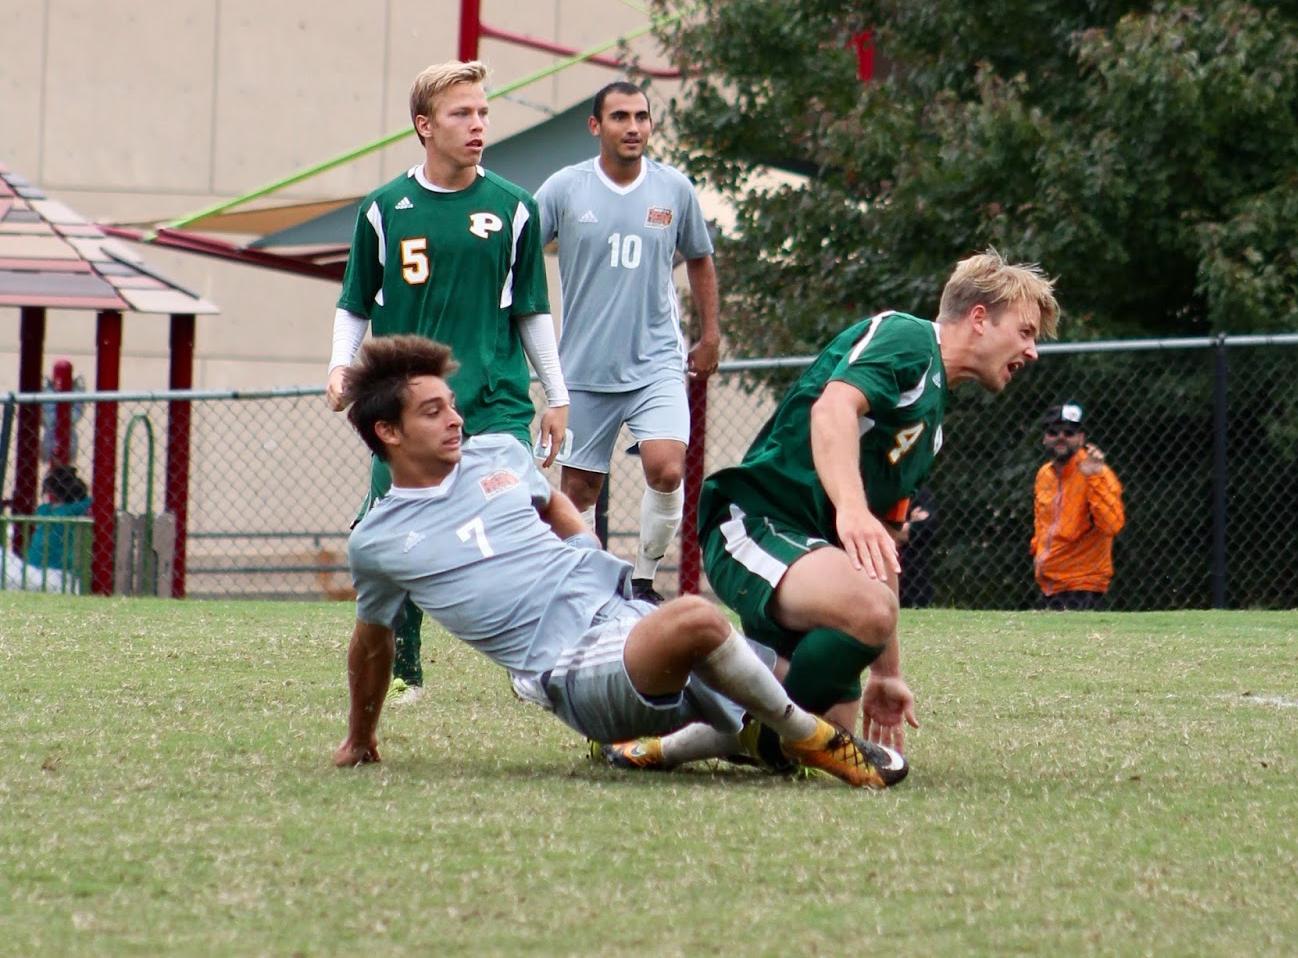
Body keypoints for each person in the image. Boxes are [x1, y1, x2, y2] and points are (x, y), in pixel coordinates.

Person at [330, 334, 905, 790]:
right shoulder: (378, 539)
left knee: (827, 702)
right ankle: (805, 738)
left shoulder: (499, 452)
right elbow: (371, 642)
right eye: (433, 412)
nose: (455, 420)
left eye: (452, 406)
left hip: (624, 617)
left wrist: (586, 551)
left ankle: (669, 748)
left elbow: (552, 500)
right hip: (570, 668)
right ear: (388, 431)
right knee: (699, 621)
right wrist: (361, 737)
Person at [691, 249, 1059, 757]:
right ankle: (717, 692)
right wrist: (850, 507)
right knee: (860, 623)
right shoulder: (907, 337)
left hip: (810, 558)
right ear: (979, 318)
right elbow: (833, 407)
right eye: (1026, 332)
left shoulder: (930, 428)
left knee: (835, 732)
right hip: (755, 522)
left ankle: (740, 696)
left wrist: (887, 675)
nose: (1033, 350)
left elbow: (880, 547)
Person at [325, 60, 570, 705]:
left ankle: (541, 661)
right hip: (411, 408)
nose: (478, 124)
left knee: (522, 518)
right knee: (390, 531)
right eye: (463, 113)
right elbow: (355, 301)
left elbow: (531, 312)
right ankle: (406, 669)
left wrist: (558, 395)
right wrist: (339, 365)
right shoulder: (383, 209)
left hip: (493, 401)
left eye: (484, 112)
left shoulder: (515, 207)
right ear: (424, 126)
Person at [534, 81, 720, 601]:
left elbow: (700, 258)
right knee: (578, 492)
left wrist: (710, 335)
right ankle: (583, 590)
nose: (632, 127)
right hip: (584, 368)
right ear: (596, 126)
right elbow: (520, 251)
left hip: (656, 361)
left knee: (665, 466)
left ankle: (642, 579)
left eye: (641, 117)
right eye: (619, 117)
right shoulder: (564, 189)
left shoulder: (674, 189)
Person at [1032, 402, 1125, 611]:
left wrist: (1095, 478)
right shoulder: (1044, 475)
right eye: (1053, 431)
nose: (1061, 436)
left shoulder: (1098, 474)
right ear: (1045, 437)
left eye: (1069, 432)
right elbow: (1042, 523)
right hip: (1049, 584)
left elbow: (1112, 525)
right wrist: (1038, 553)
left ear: (1081, 438)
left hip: (1083, 586)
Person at [2, 464, 91, 593]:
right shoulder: (74, 510)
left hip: (40, 572)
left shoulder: (44, 510)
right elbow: (90, 501)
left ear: (52, 492)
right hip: (58, 575)